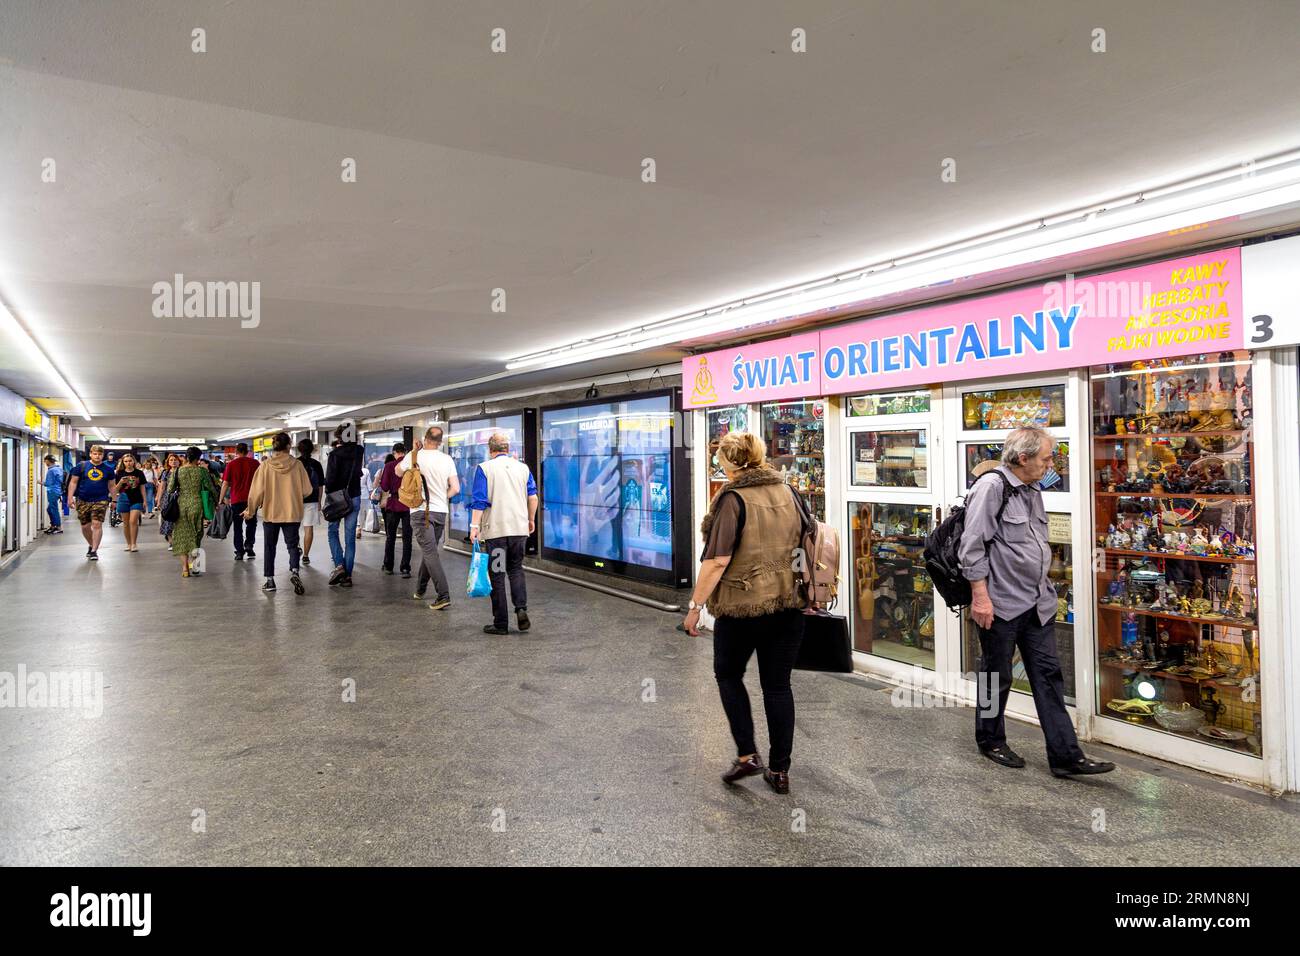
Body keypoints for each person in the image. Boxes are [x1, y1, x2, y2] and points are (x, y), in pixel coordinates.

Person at [960, 426, 1115, 779]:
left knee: (1048, 676)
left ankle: (1065, 755)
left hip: (1037, 602)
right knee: (995, 676)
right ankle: (990, 740)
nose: (1050, 464)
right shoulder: (991, 487)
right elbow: (971, 547)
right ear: (1023, 457)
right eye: (1046, 458)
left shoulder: (1031, 489)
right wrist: (980, 597)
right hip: (1000, 602)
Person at [683, 432, 808, 796]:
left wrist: (695, 607)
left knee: (728, 674)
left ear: (728, 461)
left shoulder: (732, 498)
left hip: (741, 608)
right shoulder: (790, 492)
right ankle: (780, 771)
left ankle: (747, 755)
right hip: (787, 606)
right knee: (778, 686)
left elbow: (718, 559)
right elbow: (809, 539)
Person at [469, 431, 536, 634]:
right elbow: (533, 497)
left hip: (497, 532)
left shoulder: (484, 469)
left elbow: (480, 501)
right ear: (508, 448)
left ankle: (500, 623)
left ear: (490, 450)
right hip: (518, 530)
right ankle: (521, 609)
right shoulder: (523, 469)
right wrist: (530, 519)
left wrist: (474, 527)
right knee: (516, 569)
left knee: (497, 574)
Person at [399, 426, 460, 610]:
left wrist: (413, 451)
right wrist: (441, 497)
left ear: (424, 439)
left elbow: (397, 471)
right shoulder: (447, 459)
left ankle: (443, 595)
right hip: (441, 512)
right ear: (441, 442)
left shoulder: (415, 456)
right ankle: (420, 589)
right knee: (430, 550)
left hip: (419, 511)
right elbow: (455, 488)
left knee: (430, 553)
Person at [246, 432, 311, 594]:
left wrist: (250, 510)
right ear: (289, 446)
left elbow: (256, 492)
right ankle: (295, 571)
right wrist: (293, 495)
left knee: (269, 547)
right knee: (292, 545)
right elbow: (307, 490)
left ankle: (270, 581)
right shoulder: (298, 465)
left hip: (271, 513)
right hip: (292, 513)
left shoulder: (265, 466)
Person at [168, 446, 219, 578]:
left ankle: (185, 569)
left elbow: (170, 489)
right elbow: (211, 489)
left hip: (181, 506)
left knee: (182, 536)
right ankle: (196, 567)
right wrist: (217, 501)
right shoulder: (202, 471)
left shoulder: (178, 471)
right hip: (197, 505)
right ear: (198, 458)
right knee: (196, 535)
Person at [324, 424, 364, 587]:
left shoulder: (335, 454)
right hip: (354, 496)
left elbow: (330, 480)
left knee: (332, 531)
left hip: (337, 498)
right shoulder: (359, 451)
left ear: (340, 437)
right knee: (350, 538)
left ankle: (339, 566)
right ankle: (347, 576)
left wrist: (328, 493)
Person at [66, 444, 117, 561]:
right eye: (95, 454)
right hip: (82, 499)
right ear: (90, 454)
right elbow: (73, 482)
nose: (97, 456)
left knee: (97, 524)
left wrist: (114, 500)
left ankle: (94, 550)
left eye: (99, 454)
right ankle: (91, 544)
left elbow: (112, 485)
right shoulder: (81, 466)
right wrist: (69, 498)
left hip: (101, 499)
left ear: (103, 455)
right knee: (85, 526)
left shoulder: (108, 469)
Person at [219, 443, 260, 562]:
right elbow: (261, 482)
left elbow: (225, 483)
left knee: (237, 526)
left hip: (236, 499)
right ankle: (249, 545)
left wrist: (220, 499)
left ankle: (239, 552)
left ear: (236, 452)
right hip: (252, 499)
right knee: (252, 523)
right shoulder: (255, 463)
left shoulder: (231, 464)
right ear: (247, 451)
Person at [379, 444, 412, 578]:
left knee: (390, 537)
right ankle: (405, 568)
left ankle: (388, 566)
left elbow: (385, 487)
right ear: (405, 452)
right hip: (409, 505)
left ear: (394, 453)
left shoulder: (389, 466)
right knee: (407, 538)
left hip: (393, 504)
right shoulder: (412, 466)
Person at [296, 438, 325, 566]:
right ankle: (306, 556)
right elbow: (320, 485)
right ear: (312, 449)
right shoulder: (317, 464)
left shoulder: (294, 463)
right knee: (309, 528)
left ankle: (296, 549)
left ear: (299, 449)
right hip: (312, 500)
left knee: (294, 528)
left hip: (295, 500)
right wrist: (319, 501)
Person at [113, 453, 147, 552]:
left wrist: (145, 500)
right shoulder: (119, 473)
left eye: (130, 461)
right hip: (123, 499)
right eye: (126, 461)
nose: (128, 463)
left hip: (137, 499)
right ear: (123, 462)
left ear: (134, 461)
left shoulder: (139, 473)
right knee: (126, 523)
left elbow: (142, 488)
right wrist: (121, 482)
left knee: (133, 521)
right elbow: (115, 489)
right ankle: (128, 543)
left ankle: (134, 543)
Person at [157, 452, 180, 545]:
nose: (173, 462)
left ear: (179, 462)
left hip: (179, 497)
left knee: (179, 519)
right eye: (171, 460)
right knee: (168, 518)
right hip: (168, 498)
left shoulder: (181, 471)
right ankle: (171, 541)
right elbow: (162, 487)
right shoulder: (166, 472)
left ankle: (178, 540)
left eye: (175, 460)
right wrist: (159, 500)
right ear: (168, 462)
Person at [42, 455, 64, 535]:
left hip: (52, 492)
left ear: (48, 461)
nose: (45, 463)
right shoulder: (59, 469)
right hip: (58, 491)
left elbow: (48, 483)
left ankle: (58, 527)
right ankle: (53, 525)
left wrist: (40, 482)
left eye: (45, 461)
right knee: (50, 509)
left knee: (53, 509)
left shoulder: (51, 471)